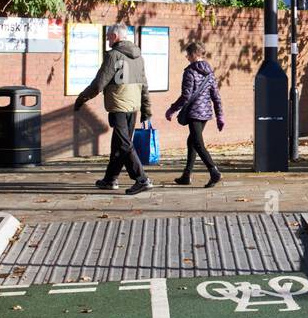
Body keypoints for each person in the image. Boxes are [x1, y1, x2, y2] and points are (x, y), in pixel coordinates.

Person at [74, 25, 153, 195]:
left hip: (118, 105)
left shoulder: (112, 55)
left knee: (124, 144)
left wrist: (82, 98)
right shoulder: (139, 57)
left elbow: (98, 84)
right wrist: (146, 110)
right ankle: (110, 179)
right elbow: (145, 86)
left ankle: (142, 179)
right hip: (133, 106)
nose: (108, 39)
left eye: (109, 36)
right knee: (119, 144)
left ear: (116, 36)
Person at [165, 42, 225, 187]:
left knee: (198, 143)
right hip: (205, 114)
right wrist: (219, 116)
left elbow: (186, 96)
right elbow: (216, 96)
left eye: (188, 54)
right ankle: (186, 175)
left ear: (194, 54)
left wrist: (172, 109)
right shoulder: (209, 72)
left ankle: (214, 171)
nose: (186, 57)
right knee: (191, 141)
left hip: (193, 113)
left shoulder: (189, 72)